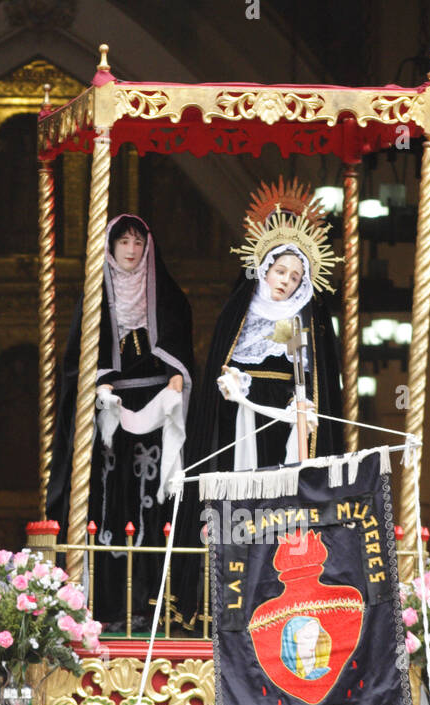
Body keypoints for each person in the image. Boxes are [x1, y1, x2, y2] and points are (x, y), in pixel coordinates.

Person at [47, 213, 194, 625]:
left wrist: (177, 379)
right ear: (110, 248)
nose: (131, 250)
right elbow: (79, 356)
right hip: (109, 415)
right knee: (110, 503)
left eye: (137, 243)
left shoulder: (167, 295)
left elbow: (180, 346)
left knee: (154, 503)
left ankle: (153, 602)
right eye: (123, 242)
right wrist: (100, 383)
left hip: (156, 410)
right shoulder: (95, 295)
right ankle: (107, 603)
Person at [185, 179, 343, 480]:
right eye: (280, 272)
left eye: (295, 277)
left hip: (285, 413)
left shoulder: (303, 318)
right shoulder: (240, 310)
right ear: (265, 269)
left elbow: (311, 375)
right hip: (243, 410)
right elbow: (222, 364)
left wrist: (303, 401)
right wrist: (232, 381)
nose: (285, 281)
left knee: (281, 478)